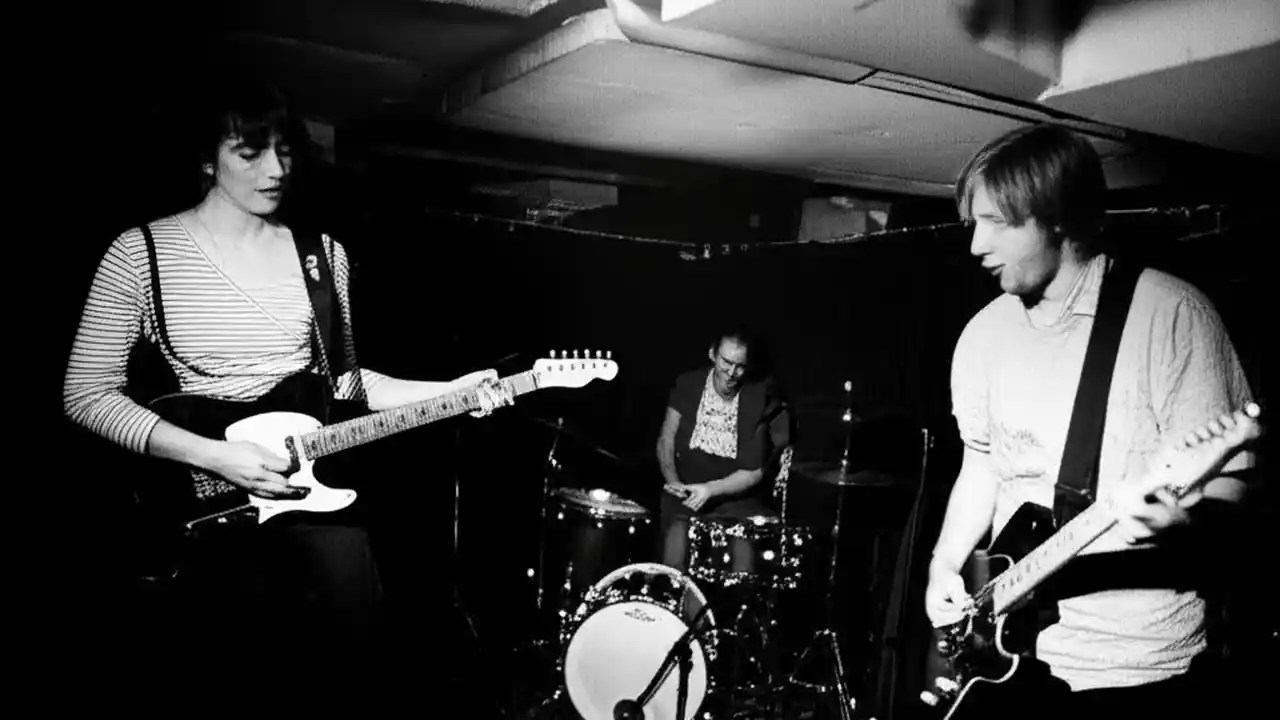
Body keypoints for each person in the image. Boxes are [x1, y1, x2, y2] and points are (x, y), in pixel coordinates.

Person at [61, 79, 512, 688]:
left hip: (313, 499)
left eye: (285, 150)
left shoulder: (323, 256)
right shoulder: (139, 252)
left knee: (354, 665)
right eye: (250, 152)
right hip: (210, 509)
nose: (275, 169)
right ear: (206, 157)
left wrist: (452, 388)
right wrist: (215, 456)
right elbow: (85, 392)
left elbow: (347, 384)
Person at [924, 123, 1258, 718]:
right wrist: (942, 566)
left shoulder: (1170, 314)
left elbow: (1231, 488)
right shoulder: (982, 335)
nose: (975, 245)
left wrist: (1180, 518)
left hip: (1134, 667)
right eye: (974, 223)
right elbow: (982, 467)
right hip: (1009, 656)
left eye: (998, 222)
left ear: (1058, 217)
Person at [654, 326, 791, 574]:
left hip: (734, 500)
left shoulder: (757, 396)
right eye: (726, 362)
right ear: (712, 354)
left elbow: (754, 471)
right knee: (675, 552)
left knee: (743, 560)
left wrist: (710, 490)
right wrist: (673, 482)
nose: (731, 372)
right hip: (684, 491)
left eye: (740, 366)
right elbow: (666, 439)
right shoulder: (688, 384)